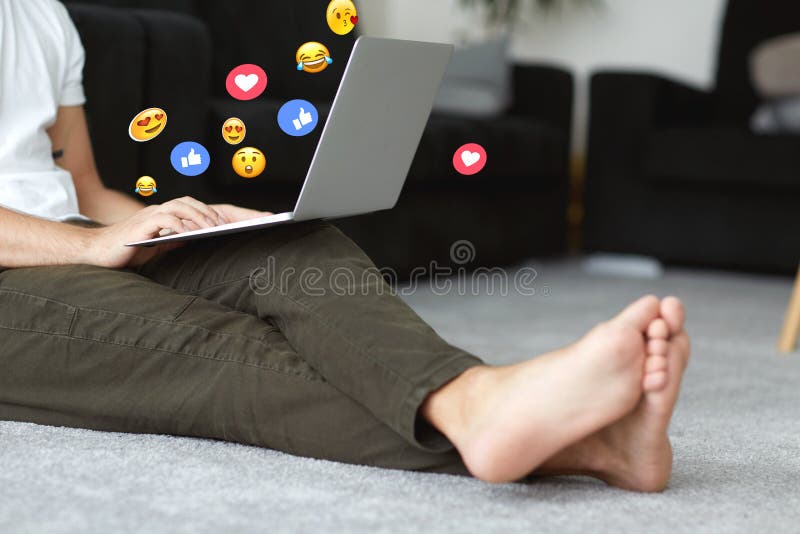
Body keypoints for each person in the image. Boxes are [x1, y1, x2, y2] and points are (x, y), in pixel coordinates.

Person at [0, 0, 690, 491]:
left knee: (294, 245)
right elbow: (80, 231)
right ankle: (560, 436)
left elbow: (83, 187)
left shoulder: (42, 14)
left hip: (74, 237)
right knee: (217, 348)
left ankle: (492, 407)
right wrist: (86, 248)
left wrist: (190, 222)